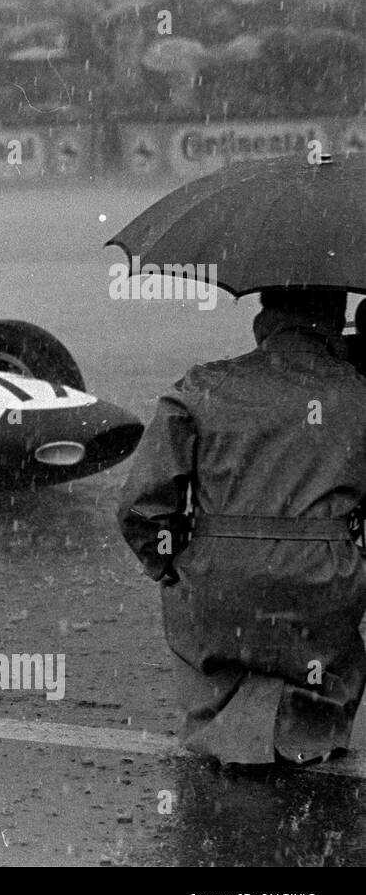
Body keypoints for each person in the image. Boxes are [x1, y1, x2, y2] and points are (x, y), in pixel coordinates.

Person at [118, 289, 366, 766]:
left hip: (218, 578)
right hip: (323, 576)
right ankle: (305, 732)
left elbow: (142, 505)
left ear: (265, 318)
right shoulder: (358, 394)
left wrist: (168, 562)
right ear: (337, 322)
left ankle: (224, 731)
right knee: (316, 655)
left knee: (217, 635)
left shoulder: (202, 387)